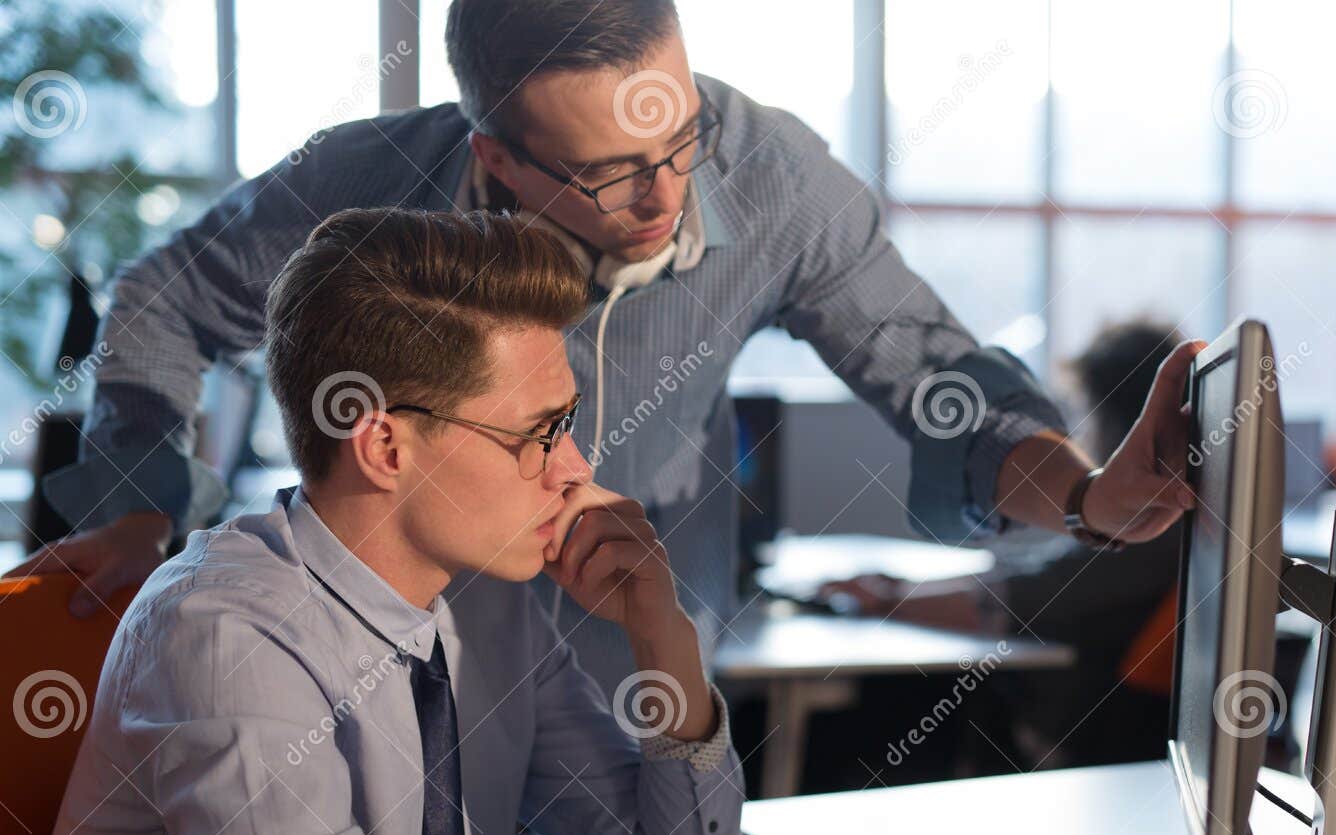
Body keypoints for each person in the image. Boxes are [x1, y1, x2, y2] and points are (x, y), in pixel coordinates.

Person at [7, 209, 1010, 835]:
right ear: (386, 443)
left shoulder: (481, 606)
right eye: (537, 432)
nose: (575, 467)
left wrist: (662, 635)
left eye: (567, 424)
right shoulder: (222, 637)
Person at [9, 0, 1202, 700]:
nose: (665, 194)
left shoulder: (768, 177)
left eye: (680, 136)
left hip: (645, 611)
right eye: (608, 172)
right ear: (496, 156)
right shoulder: (364, 183)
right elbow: (158, 297)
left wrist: (1093, 497)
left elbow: (941, 385)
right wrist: (133, 504)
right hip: (394, 623)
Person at [820, 322, 1186, 769]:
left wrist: (885, 600)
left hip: (1061, 736)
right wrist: (901, 587)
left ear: (1112, 418)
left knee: (896, 700)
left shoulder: (1154, 523)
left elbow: (1006, 601)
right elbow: (1027, 575)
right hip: (1074, 716)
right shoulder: (1157, 514)